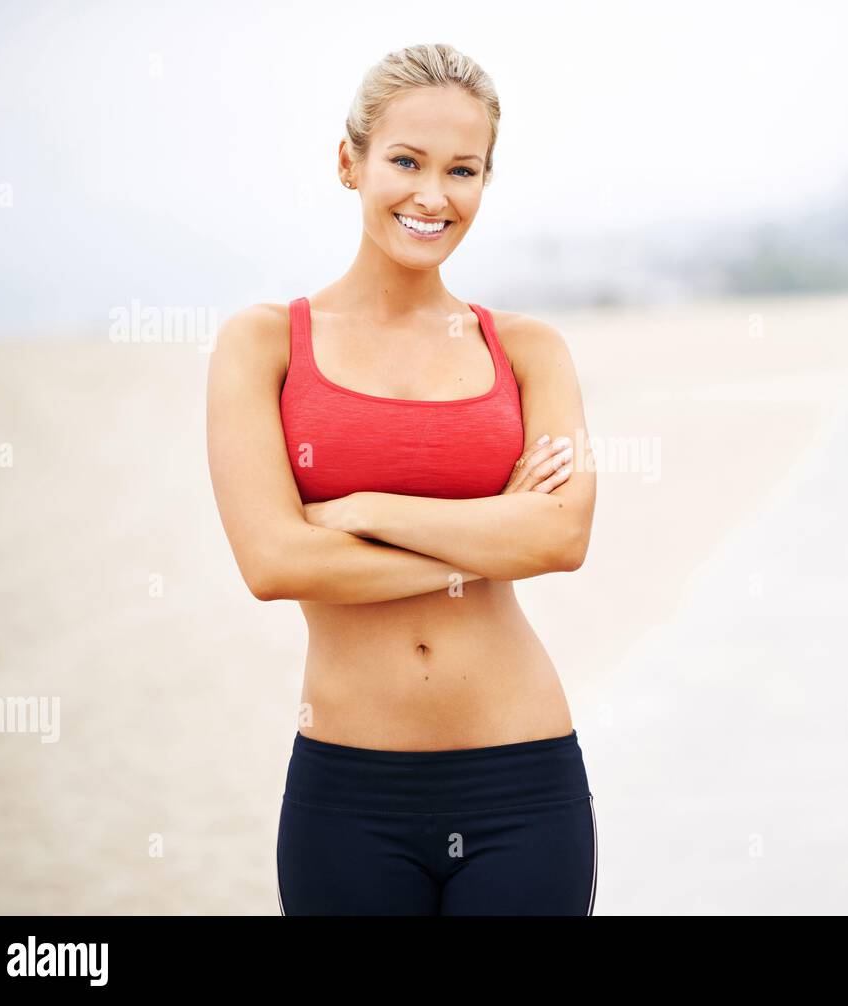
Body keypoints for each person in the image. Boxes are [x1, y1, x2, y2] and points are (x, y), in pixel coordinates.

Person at [205, 42, 598, 915]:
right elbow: (276, 564)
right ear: (350, 163)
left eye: (463, 170)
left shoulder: (529, 350)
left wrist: (367, 510)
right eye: (406, 161)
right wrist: (491, 533)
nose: (433, 196)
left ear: (486, 182)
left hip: (523, 780)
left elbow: (561, 538)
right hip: (349, 791)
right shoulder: (264, 343)